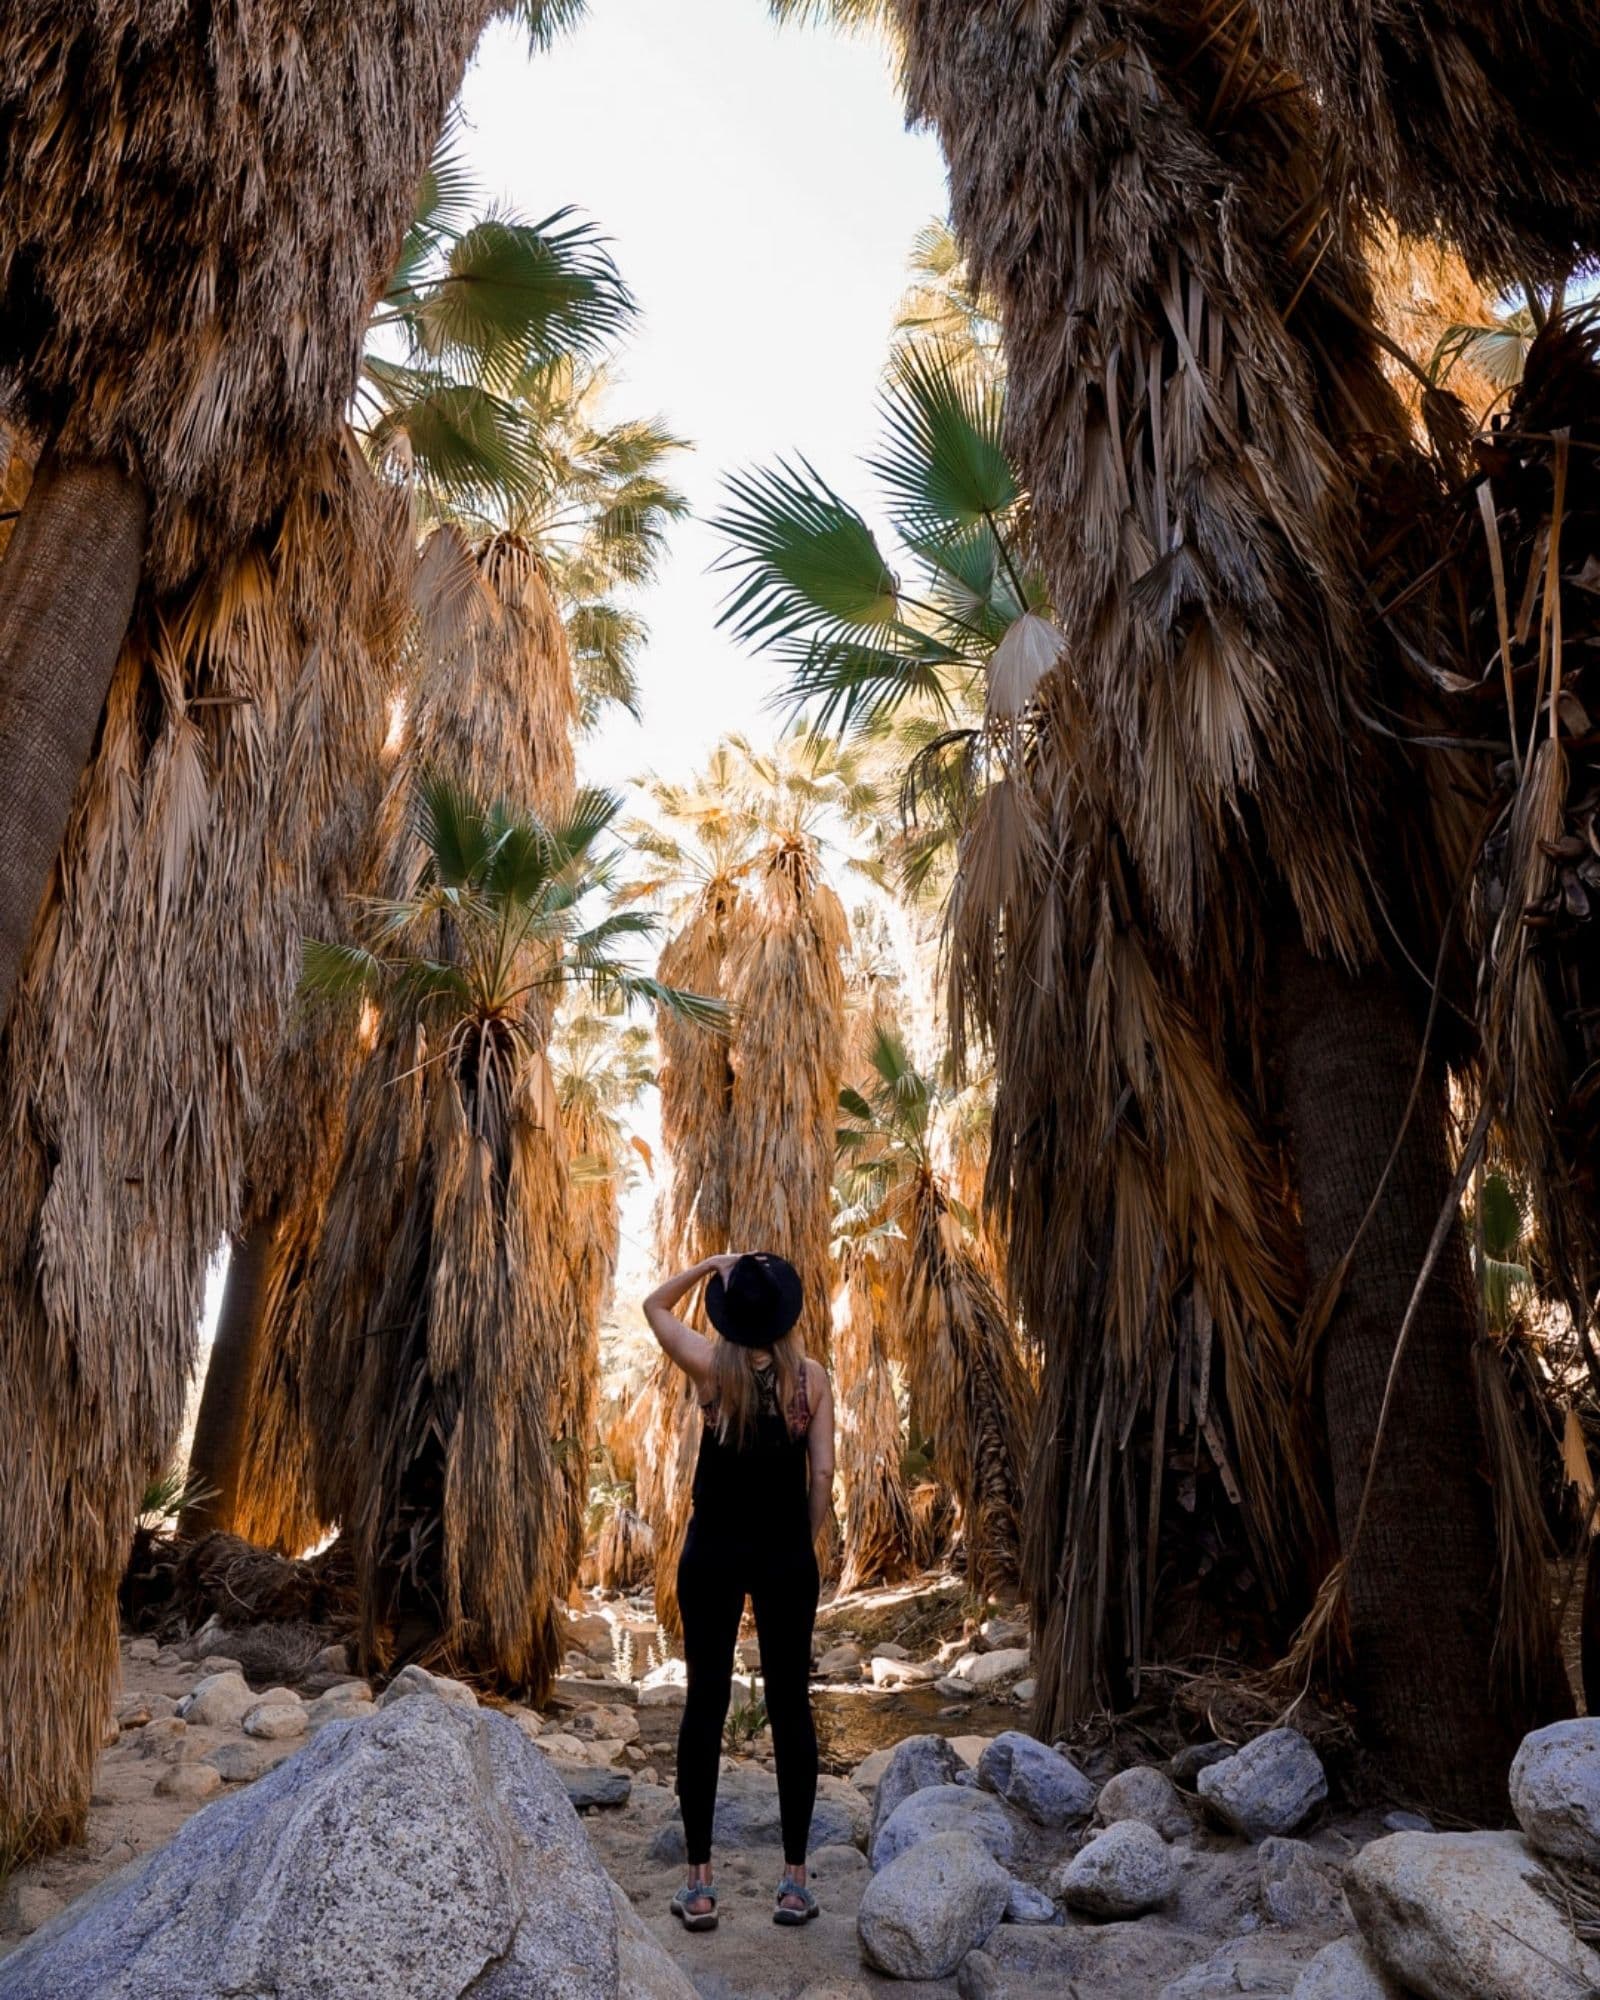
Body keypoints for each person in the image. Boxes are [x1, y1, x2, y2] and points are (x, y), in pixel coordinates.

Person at [643, 1249, 835, 1932]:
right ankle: (794, 1881)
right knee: (790, 1708)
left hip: (713, 1552)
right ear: (785, 1314)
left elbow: (654, 1307)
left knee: (705, 1704)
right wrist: (800, 1542)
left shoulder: (711, 1369)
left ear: (731, 1315)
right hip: (785, 1554)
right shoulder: (811, 1380)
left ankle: (698, 1887)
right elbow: (821, 1478)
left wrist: (705, 1266)